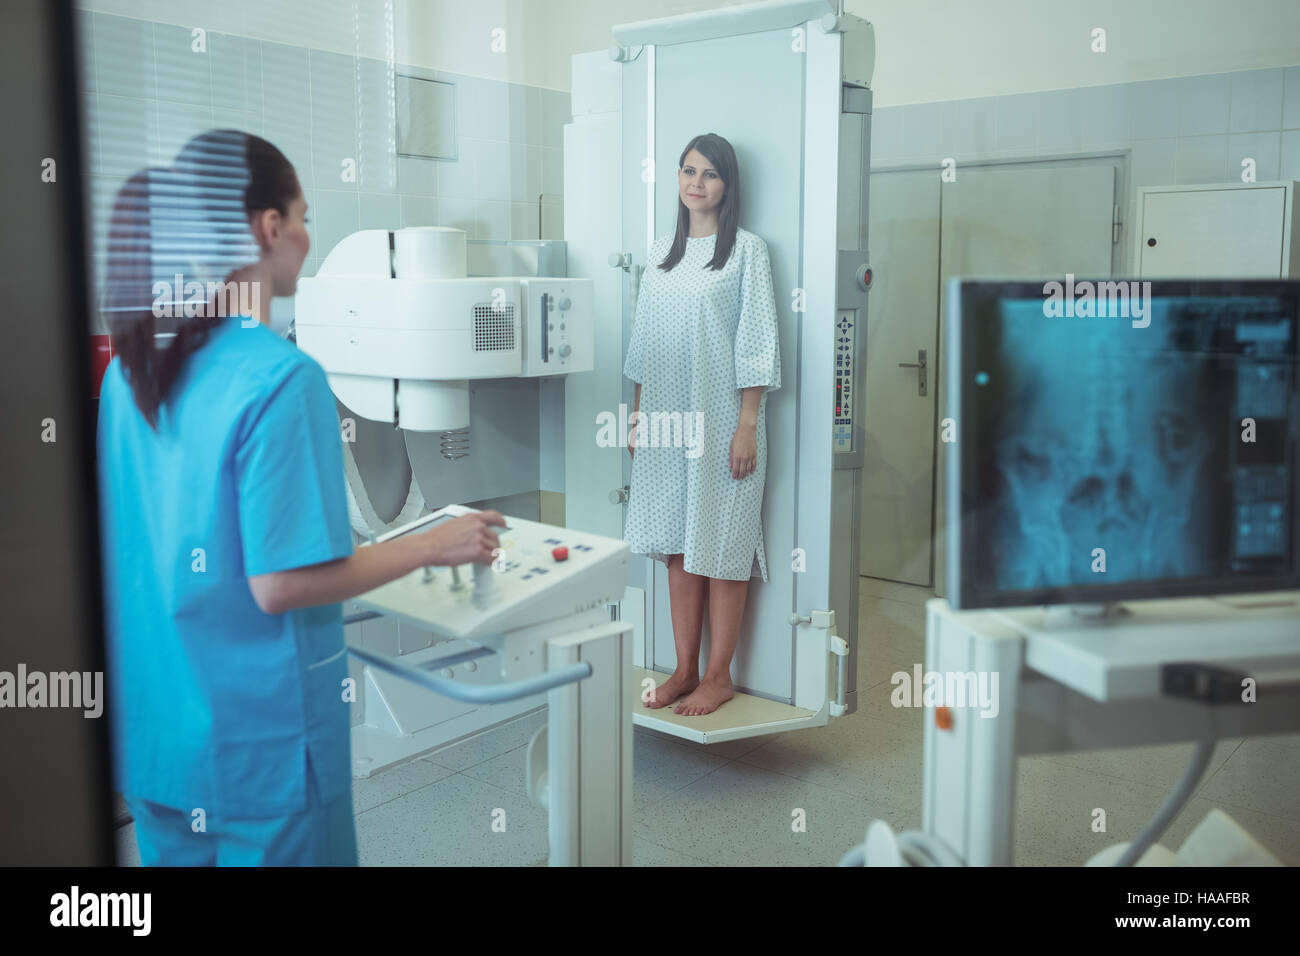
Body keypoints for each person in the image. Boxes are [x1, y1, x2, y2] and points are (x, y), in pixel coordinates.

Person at [97, 130, 504, 865]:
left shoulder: (127, 378)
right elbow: (282, 583)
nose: (311, 238)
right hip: (262, 751)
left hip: (159, 739)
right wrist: (433, 543)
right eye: (304, 216)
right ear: (267, 228)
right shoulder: (281, 380)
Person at [623, 132, 781, 717]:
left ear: (727, 185)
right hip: (666, 420)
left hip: (722, 421)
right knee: (674, 545)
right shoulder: (661, 253)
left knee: (722, 543)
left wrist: (747, 425)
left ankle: (721, 675)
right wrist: (638, 417)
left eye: (709, 174)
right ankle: (684, 667)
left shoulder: (747, 253)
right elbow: (644, 345)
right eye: (688, 171)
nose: (696, 183)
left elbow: (757, 342)